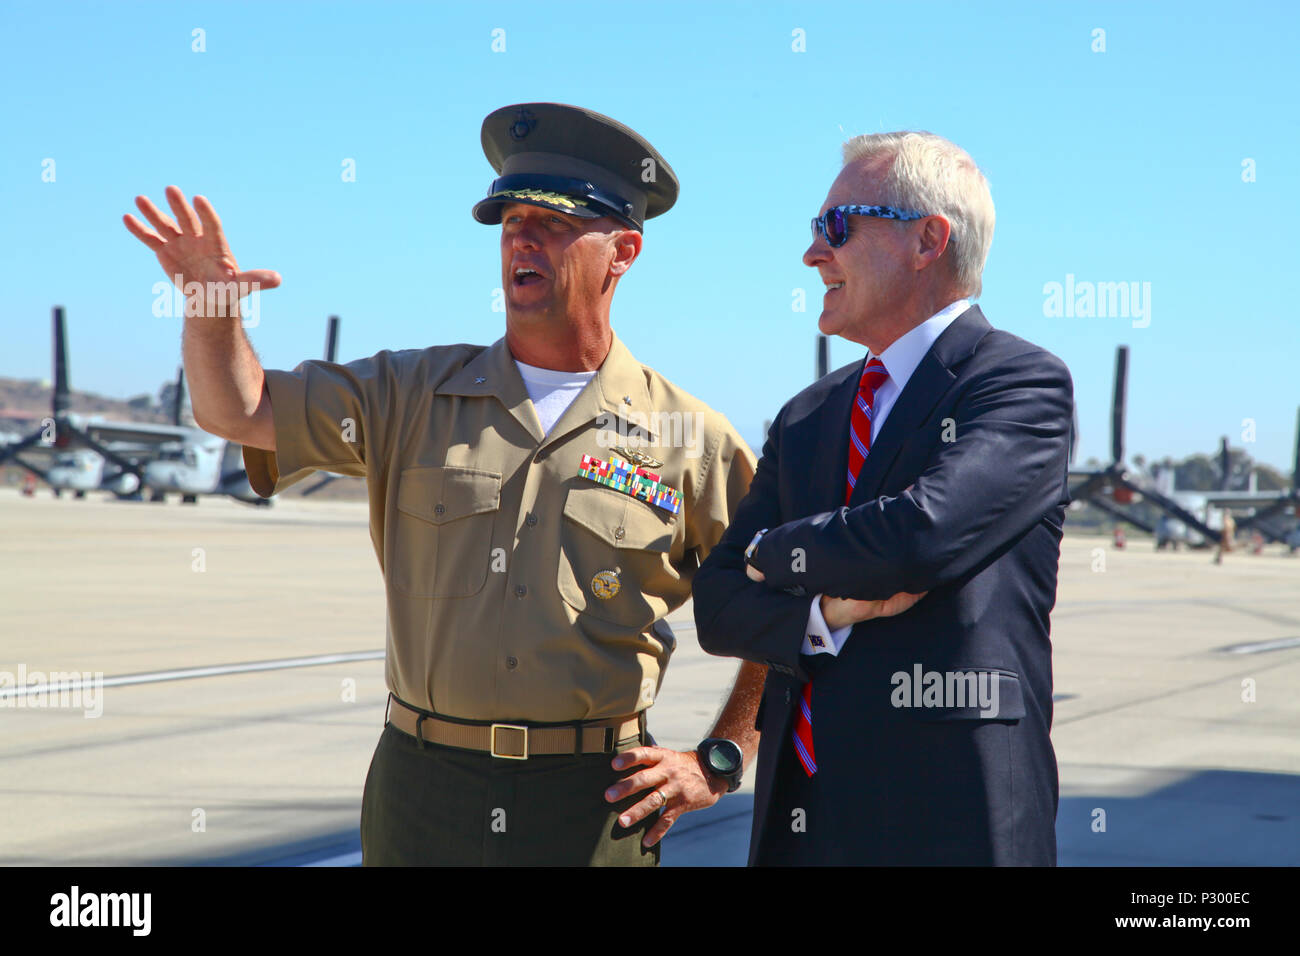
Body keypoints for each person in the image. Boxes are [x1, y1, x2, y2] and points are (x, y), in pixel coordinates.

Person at [123, 102, 764, 866]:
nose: (521, 237)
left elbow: (781, 616)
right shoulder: (407, 394)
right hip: (422, 790)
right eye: (509, 220)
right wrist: (211, 312)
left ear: (622, 250)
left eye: (552, 222)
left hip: (595, 801)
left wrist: (719, 761)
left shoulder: (692, 440)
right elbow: (240, 409)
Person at [692, 131, 1073, 865]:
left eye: (837, 227)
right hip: (798, 829)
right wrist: (824, 610)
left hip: (947, 829)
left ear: (929, 239)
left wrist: (773, 553)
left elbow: (918, 537)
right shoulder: (806, 416)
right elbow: (716, 604)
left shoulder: (1019, 385)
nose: (812, 254)